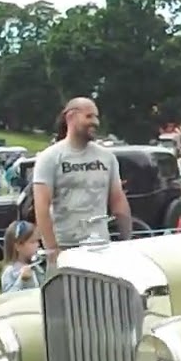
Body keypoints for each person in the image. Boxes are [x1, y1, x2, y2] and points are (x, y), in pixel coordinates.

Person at [32, 97, 131, 260]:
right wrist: (52, 250)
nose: (96, 122)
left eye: (96, 117)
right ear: (70, 117)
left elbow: (118, 200)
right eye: (89, 116)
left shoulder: (107, 157)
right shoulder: (50, 157)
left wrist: (127, 240)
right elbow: (42, 206)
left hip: (100, 246)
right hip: (66, 247)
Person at [0, 220, 44, 293]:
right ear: (18, 246)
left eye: (38, 241)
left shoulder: (37, 267)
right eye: (32, 242)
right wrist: (22, 280)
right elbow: (7, 297)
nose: (38, 245)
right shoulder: (10, 272)